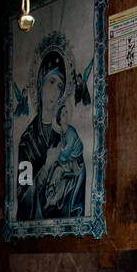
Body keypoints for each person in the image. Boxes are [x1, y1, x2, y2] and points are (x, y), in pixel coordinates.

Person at [16, 49, 86, 222]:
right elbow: (24, 199)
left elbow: (79, 176)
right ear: (40, 83)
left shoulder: (66, 133)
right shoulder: (27, 141)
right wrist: (47, 166)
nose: (55, 93)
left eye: (60, 87)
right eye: (52, 82)